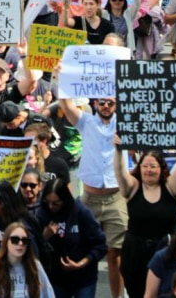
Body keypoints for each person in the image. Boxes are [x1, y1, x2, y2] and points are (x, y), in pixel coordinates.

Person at [59, 96, 127, 298]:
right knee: (82, 251)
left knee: (115, 255)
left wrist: (125, 143)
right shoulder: (86, 121)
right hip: (89, 199)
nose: (106, 106)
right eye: (102, 103)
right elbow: (65, 105)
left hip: (116, 197)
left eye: (111, 103)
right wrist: (60, 77)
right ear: (95, 104)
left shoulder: (125, 124)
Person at [113, 140, 176, 298]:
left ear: (161, 169)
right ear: (139, 168)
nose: (149, 170)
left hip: (164, 250)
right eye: (145, 166)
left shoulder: (171, 187)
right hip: (135, 253)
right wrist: (118, 150)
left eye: (153, 166)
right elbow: (119, 171)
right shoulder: (132, 187)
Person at [35, 177, 109, 298]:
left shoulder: (82, 213)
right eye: (47, 202)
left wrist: (81, 263)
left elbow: (101, 245)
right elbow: (33, 248)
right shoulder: (42, 214)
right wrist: (44, 237)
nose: (51, 206)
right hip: (56, 277)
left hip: (84, 277)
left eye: (55, 203)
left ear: (64, 200)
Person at [0, 222, 56, 298]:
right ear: (5, 242)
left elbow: (49, 295)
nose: (20, 244)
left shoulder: (35, 267)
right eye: (15, 240)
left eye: (25, 241)